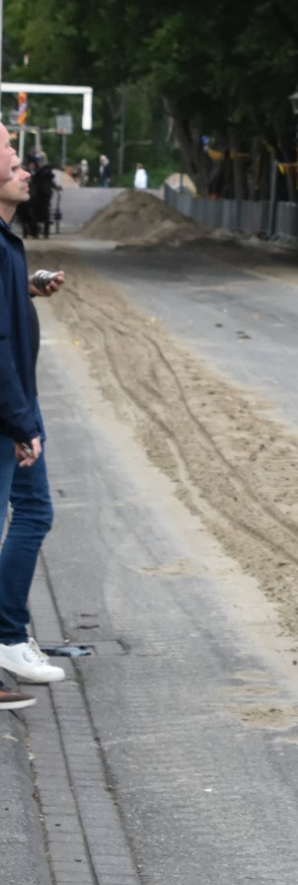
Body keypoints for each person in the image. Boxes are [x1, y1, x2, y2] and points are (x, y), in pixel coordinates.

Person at [0, 138, 66, 695]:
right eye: (12, 159)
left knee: (35, 511)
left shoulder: (8, 244)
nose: (25, 170)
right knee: (34, 511)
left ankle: (8, 635)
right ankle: (7, 637)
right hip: (10, 403)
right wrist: (22, 422)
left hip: (17, 398)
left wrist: (27, 288)